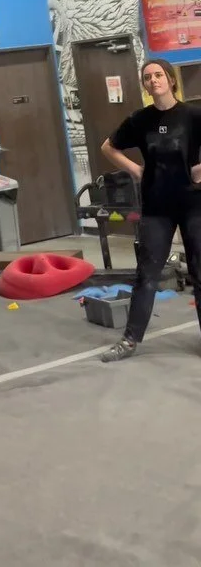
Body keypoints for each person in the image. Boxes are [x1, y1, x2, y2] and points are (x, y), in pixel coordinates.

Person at [99, 60, 201, 362]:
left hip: (193, 204)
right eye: (147, 77)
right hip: (157, 207)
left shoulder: (193, 115)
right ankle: (130, 340)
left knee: (200, 272)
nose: (153, 80)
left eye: (158, 75)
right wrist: (135, 170)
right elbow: (108, 147)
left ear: (170, 80)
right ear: (144, 85)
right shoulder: (139, 120)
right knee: (146, 274)